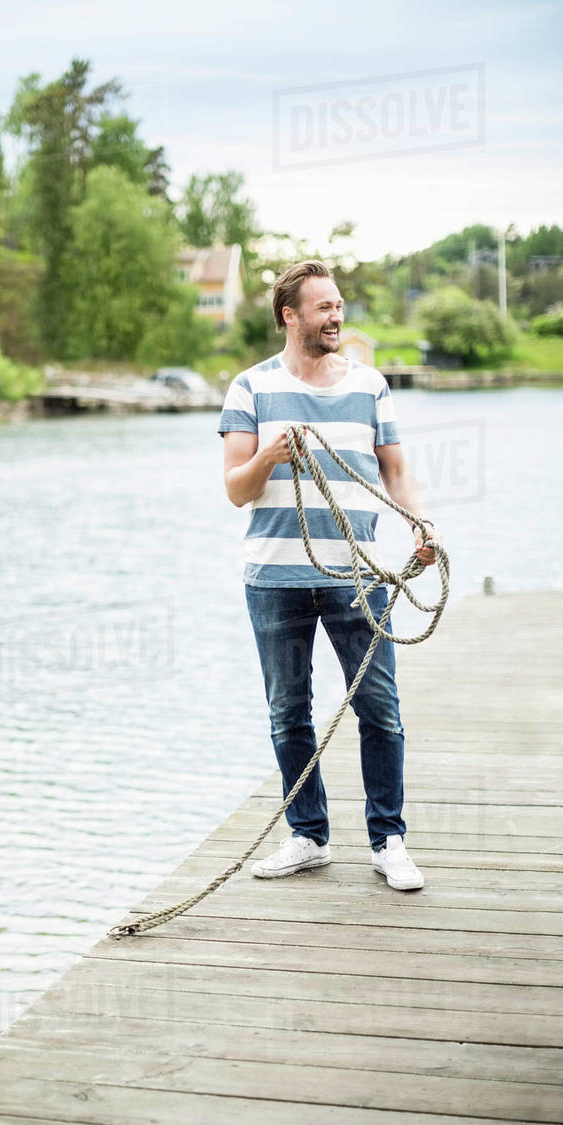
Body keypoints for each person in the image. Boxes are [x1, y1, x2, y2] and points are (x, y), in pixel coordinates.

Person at [219, 260, 441, 891]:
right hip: (273, 579)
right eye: (323, 308)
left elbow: (396, 471)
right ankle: (308, 836)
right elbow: (236, 490)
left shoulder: (370, 386)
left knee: (380, 709)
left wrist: (422, 526)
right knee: (289, 711)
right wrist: (266, 453)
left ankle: (388, 840)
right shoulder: (249, 389)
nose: (336, 316)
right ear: (290, 316)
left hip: (359, 577)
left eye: (339, 305)